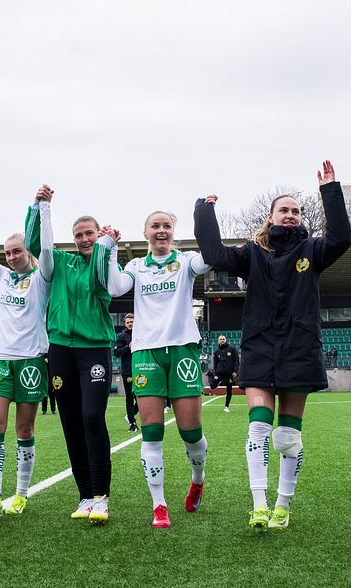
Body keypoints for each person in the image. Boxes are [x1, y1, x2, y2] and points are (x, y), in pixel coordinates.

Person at [195, 160, 351, 531]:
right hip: (261, 346)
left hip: (299, 347)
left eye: (296, 211)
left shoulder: (313, 251)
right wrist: (204, 211)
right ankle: (260, 504)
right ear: (270, 216)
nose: (292, 215)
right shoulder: (252, 254)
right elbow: (215, 255)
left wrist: (330, 190)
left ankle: (283, 504)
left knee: (287, 435)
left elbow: (342, 238)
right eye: (284, 210)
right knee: (259, 428)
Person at [26, 184, 126, 524]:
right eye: (79, 234)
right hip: (60, 351)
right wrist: (42, 207)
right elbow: (38, 246)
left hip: (93, 349)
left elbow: (104, 279)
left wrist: (107, 245)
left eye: (89, 234)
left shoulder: (102, 263)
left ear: (97, 235)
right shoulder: (61, 263)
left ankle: (101, 495)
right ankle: (85, 495)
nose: (84, 239)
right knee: (70, 422)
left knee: (91, 418)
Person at [106, 210, 213, 528]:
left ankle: (197, 478)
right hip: (146, 354)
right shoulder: (136, 267)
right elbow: (114, 288)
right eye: (156, 226)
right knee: (151, 432)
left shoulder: (186, 261)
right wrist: (111, 248)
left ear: (173, 232)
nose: (161, 230)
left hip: (182, 352)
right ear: (146, 232)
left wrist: (205, 216)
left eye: (167, 226)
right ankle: (159, 505)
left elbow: (210, 258)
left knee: (190, 432)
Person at [0, 201, 51, 518]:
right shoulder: (2, 276)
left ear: (26, 252)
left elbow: (45, 249)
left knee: (24, 430)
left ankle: (20, 494)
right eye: (7, 253)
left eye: (16, 251)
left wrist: (43, 210)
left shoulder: (42, 277)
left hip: (31, 360)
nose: (11, 257)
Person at [113, 314, 138, 430]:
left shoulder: (141, 334)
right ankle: (132, 423)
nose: (130, 324)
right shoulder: (121, 336)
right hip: (128, 372)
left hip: (141, 369)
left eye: (132, 322)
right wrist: (128, 347)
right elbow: (116, 353)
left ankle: (130, 415)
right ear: (125, 323)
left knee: (141, 396)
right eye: (128, 322)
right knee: (129, 397)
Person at [212, 335, 240, 412]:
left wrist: (235, 371)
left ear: (226, 340)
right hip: (219, 373)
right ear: (218, 341)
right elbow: (215, 364)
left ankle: (226, 406)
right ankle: (217, 383)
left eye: (223, 339)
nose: (222, 340)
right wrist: (215, 374)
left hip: (229, 374)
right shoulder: (216, 351)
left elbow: (236, 360)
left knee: (229, 390)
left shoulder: (231, 349)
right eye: (220, 339)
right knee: (212, 386)